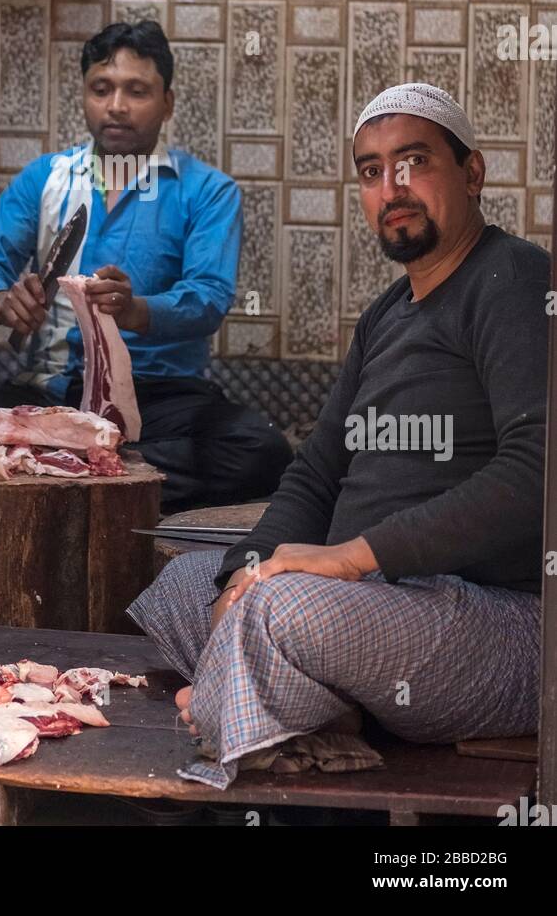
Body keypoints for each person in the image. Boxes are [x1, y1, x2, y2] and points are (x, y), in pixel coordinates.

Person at [129, 82, 547, 788]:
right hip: (382, 604)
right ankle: (304, 703)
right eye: (372, 171)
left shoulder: (513, 280)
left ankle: (279, 706)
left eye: (415, 161)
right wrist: (246, 572)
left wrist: (350, 559)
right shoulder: (388, 313)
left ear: (472, 174)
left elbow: (540, 470)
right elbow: (318, 472)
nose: (394, 187)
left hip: (504, 623)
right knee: (187, 584)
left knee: (279, 608)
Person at [0, 19, 291, 511]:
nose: (116, 106)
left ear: (167, 103)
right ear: (85, 95)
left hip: (164, 400)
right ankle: (104, 476)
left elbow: (209, 298)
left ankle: (57, 479)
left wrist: (136, 311)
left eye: (137, 91)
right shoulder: (45, 179)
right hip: (53, 395)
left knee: (260, 451)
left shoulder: (207, 190)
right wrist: (0, 301)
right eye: (102, 88)